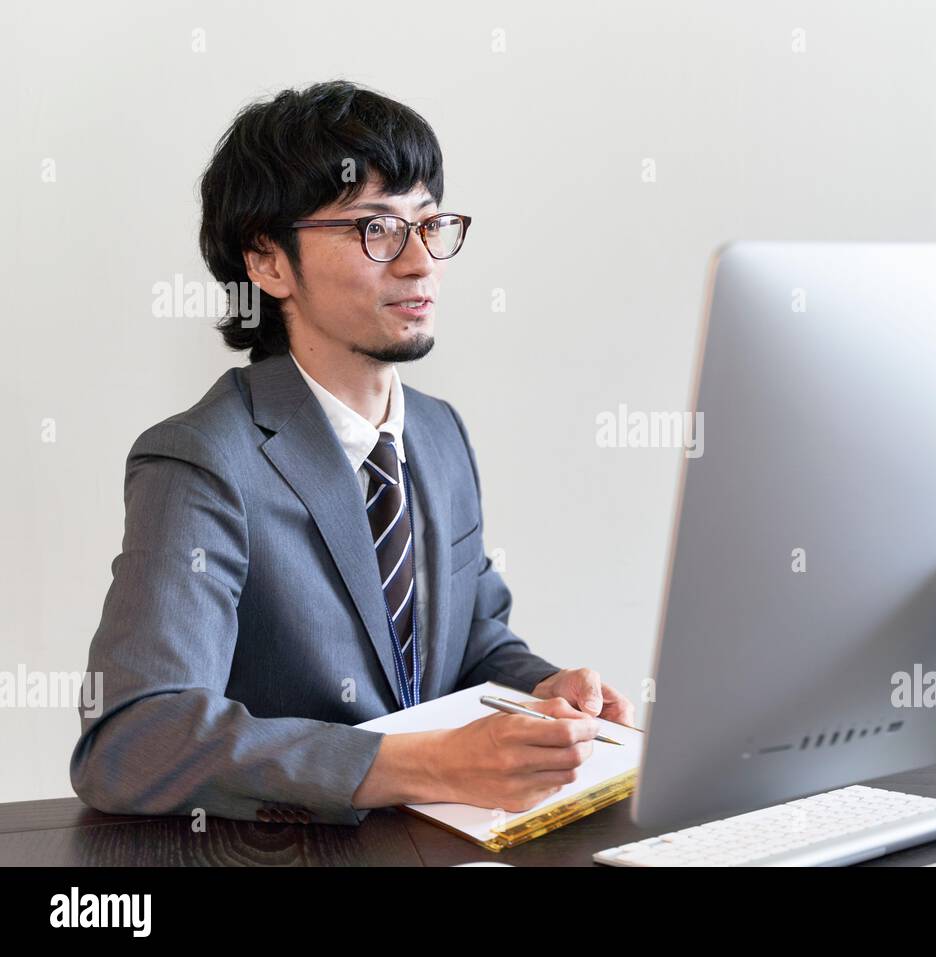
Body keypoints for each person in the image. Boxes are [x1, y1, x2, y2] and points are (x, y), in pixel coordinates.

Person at [70, 80, 633, 825]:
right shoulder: (202, 459)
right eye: (375, 229)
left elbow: (468, 643)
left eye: (430, 225)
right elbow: (133, 739)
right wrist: (419, 763)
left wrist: (543, 692)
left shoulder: (438, 432)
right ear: (269, 263)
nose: (419, 263)